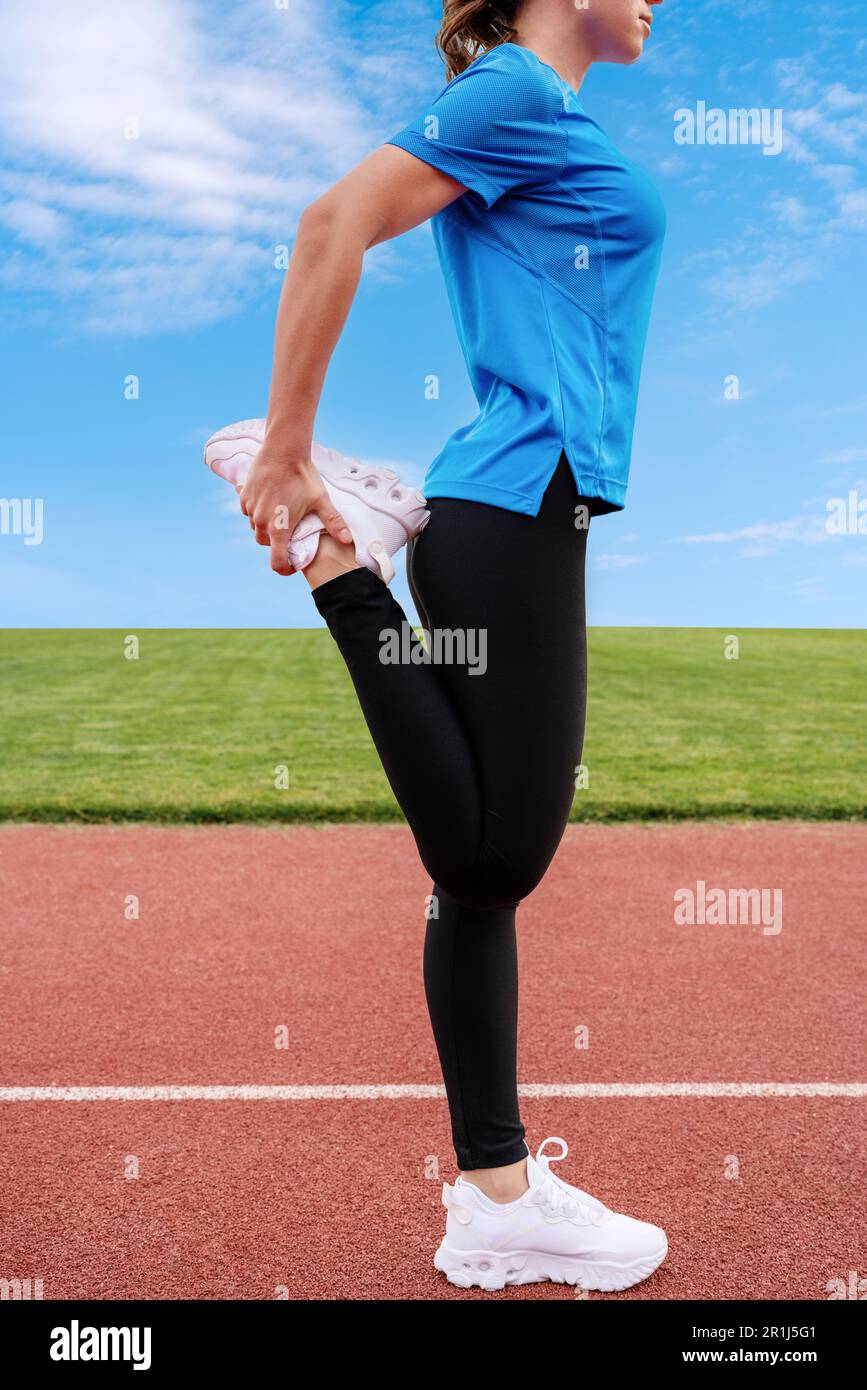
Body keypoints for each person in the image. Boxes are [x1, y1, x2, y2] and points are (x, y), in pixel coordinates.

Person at [227, 0, 668, 1292]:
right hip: (510, 508)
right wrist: (283, 451)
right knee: (492, 850)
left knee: (474, 875)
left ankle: (494, 1195)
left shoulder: (541, 111)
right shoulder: (516, 90)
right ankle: (336, 554)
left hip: (518, 512)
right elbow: (332, 222)